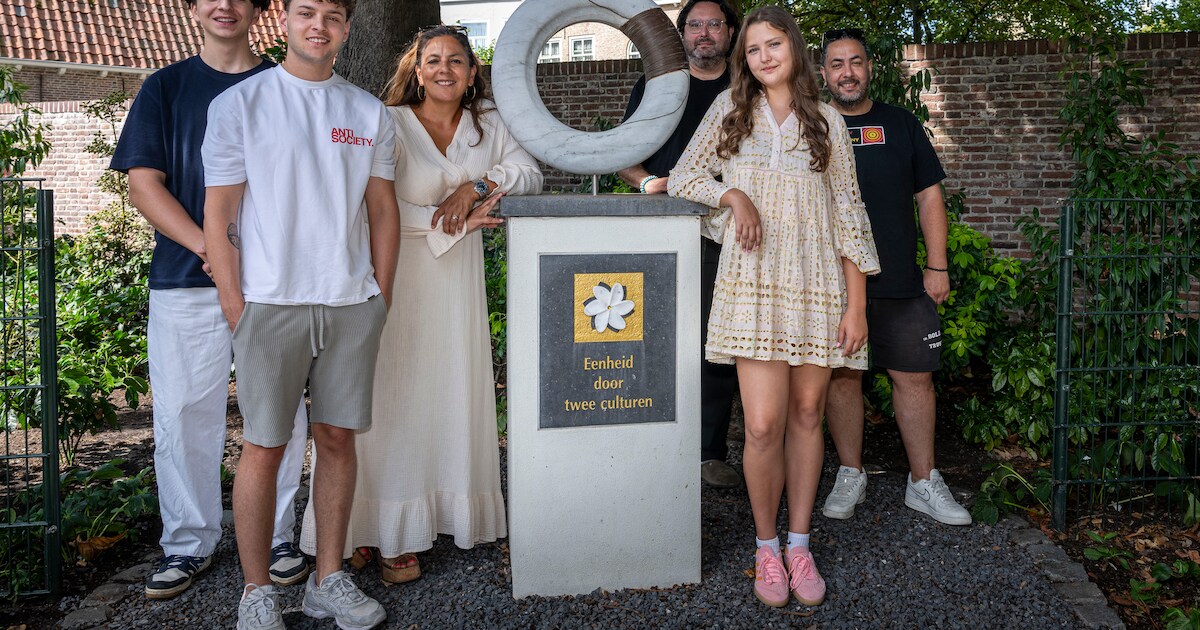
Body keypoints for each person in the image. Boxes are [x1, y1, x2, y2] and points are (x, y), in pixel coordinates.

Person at [307, 23, 542, 584]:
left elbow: (530, 175)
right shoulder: (386, 123)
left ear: (472, 70)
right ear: (416, 70)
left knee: (444, 394)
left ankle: (432, 516)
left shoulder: (490, 124)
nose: (444, 69)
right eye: (432, 60)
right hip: (390, 276)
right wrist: (449, 224)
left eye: (456, 60)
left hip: (455, 285)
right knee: (388, 399)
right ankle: (374, 531)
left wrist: (479, 187)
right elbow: (365, 205)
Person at [669, 6, 879, 608]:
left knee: (808, 415)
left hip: (818, 287)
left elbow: (850, 216)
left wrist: (857, 305)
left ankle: (799, 542)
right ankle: (765, 548)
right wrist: (732, 194)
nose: (763, 55)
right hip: (753, 286)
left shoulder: (828, 122)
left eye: (774, 44)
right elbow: (685, 178)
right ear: (746, 58)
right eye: (754, 48)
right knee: (761, 424)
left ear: (795, 49)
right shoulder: (730, 112)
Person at [201, 0, 401, 627]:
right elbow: (221, 211)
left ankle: (328, 578)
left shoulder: (367, 112)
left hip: (349, 304)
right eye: (307, 11)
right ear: (284, 20)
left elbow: (383, 212)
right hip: (270, 303)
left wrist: (380, 297)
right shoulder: (240, 104)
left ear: (346, 28)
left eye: (334, 16)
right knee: (264, 445)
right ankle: (257, 593)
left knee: (337, 439)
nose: (320, 25)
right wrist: (236, 302)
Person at [109, 0, 311, 600]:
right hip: (185, 279)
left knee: (280, 415)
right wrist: (212, 249)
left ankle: (278, 538)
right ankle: (188, 544)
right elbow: (143, 184)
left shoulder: (289, 85)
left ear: (257, 10)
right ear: (196, 7)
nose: (225, 5)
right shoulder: (164, 87)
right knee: (182, 414)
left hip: (274, 285)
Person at [818, 28, 971, 526]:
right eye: (837, 64)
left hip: (901, 278)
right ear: (823, 73)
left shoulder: (902, 124)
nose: (847, 72)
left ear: (870, 68)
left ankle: (923, 481)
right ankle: (850, 472)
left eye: (855, 62)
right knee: (843, 378)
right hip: (832, 284)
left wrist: (938, 264)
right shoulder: (810, 128)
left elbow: (929, 196)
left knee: (915, 377)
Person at [617, 0, 744, 490]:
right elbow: (623, 153)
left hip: (726, 231)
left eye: (715, 24)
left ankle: (708, 453)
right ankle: (651, 446)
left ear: (730, 32)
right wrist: (648, 182)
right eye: (695, 25)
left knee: (716, 344)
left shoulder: (746, 90)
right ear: (682, 34)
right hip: (659, 228)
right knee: (655, 339)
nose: (705, 33)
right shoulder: (657, 88)